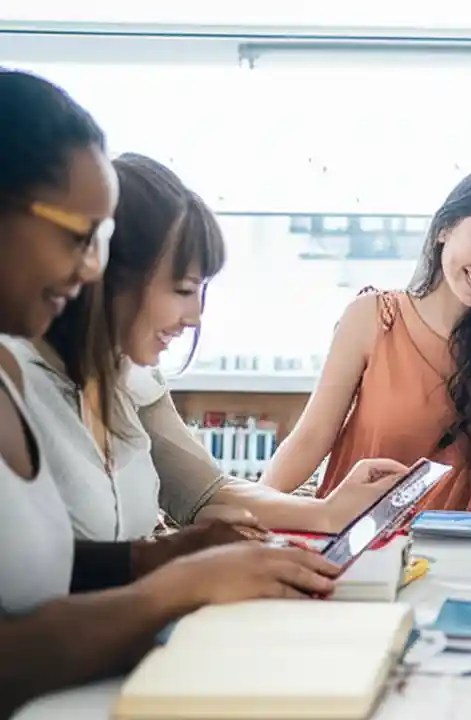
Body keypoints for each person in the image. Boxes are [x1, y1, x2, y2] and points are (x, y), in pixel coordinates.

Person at [0, 68, 341, 716]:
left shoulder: (8, 380)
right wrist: (172, 586)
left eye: (101, 241)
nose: (93, 268)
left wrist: (166, 555)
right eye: (80, 237)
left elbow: (33, 576)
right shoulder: (28, 372)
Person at [3, 152, 407, 542]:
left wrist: (330, 512)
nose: (194, 317)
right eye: (183, 289)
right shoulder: (19, 381)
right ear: (111, 275)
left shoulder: (132, 376)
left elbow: (203, 489)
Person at [261, 168, 471, 511]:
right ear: (445, 229)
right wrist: (246, 514)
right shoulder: (373, 317)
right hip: (358, 547)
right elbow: (310, 439)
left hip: (466, 558)